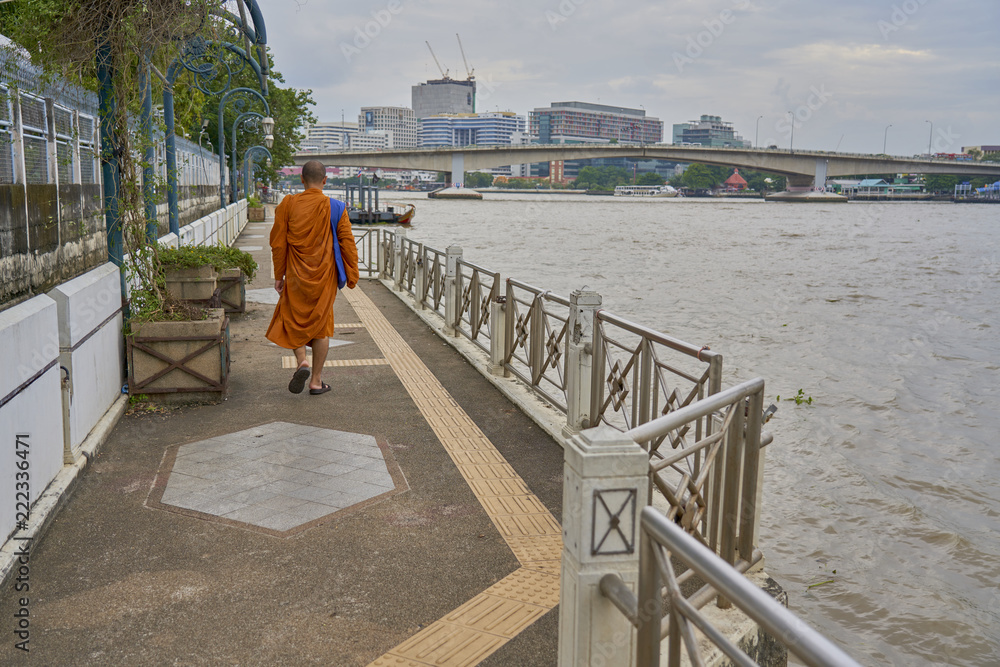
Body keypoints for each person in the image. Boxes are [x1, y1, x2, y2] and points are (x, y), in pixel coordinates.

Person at [266, 160, 359, 395]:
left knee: (290, 318)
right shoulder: (336, 207)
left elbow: (278, 243)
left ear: (301, 180)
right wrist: (352, 275)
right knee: (322, 327)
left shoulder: (287, 204)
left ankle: (301, 361)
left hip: (296, 274)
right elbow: (348, 244)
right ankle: (316, 382)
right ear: (325, 180)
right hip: (325, 276)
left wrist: (279, 275)